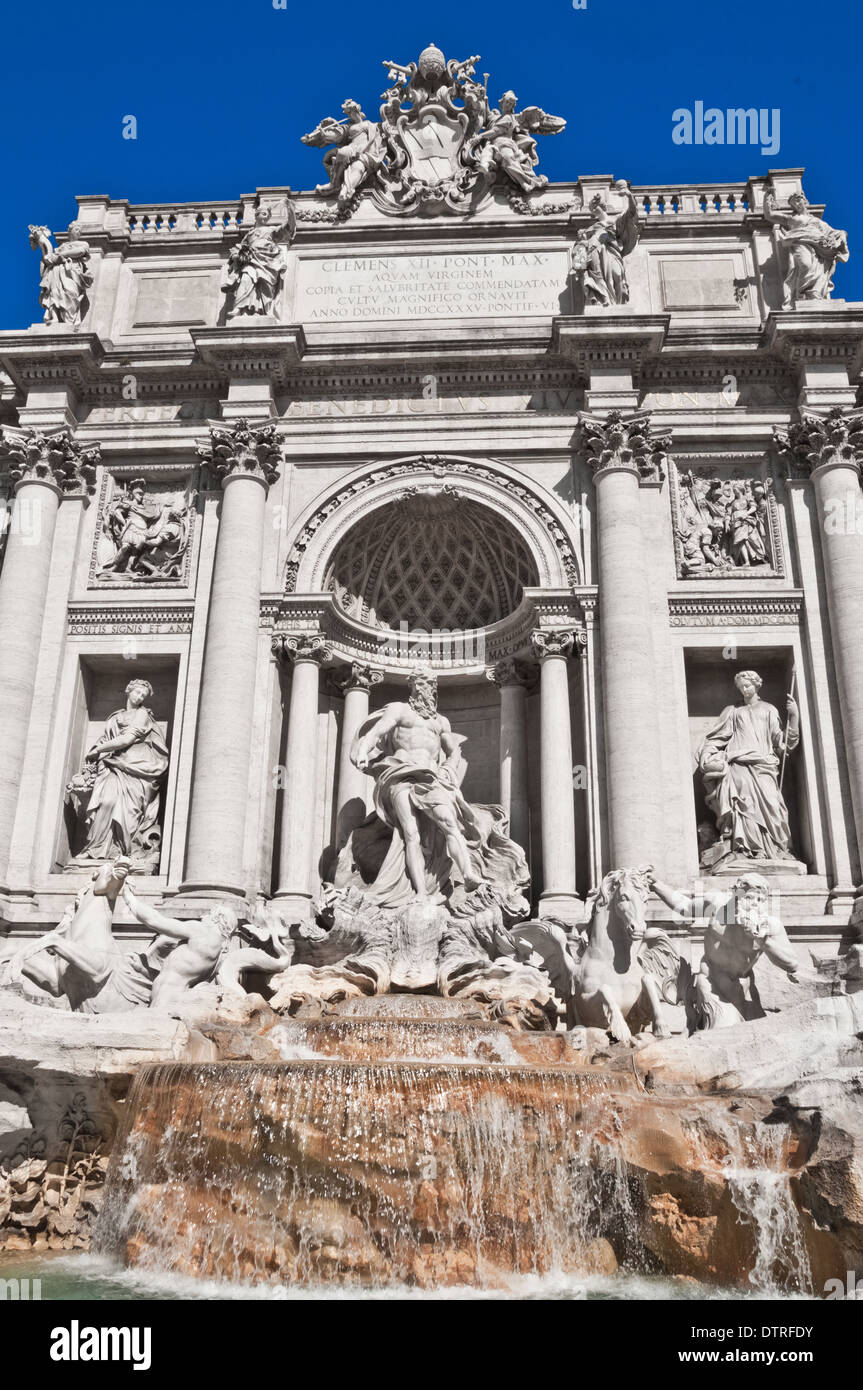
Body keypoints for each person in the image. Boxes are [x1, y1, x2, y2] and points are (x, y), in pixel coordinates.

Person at [648, 870, 799, 1028]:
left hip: (743, 988)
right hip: (711, 982)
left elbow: (792, 964)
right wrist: (656, 884)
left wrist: (764, 941)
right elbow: (684, 907)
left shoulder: (771, 926)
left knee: (758, 1036)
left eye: (760, 899)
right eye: (748, 897)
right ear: (735, 896)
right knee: (725, 1029)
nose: (755, 903)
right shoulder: (716, 905)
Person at [697, 670, 799, 863]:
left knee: (772, 804)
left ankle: (775, 848)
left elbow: (783, 744)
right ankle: (746, 850)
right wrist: (707, 754)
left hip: (763, 764)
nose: (744, 689)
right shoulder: (733, 711)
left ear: (757, 685)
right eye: (741, 687)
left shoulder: (769, 709)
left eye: (748, 686)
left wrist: (794, 716)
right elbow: (718, 737)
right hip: (738, 764)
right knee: (744, 806)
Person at [69, 679, 169, 866]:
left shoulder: (142, 715)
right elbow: (107, 739)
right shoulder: (115, 717)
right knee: (105, 802)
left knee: (129, 812)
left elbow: (126, 739)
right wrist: (97, 753)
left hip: (137, 769)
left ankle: (124, 851)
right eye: (137, 692)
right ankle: (95, 849)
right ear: (128, 690)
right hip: (113, 766)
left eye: (143, 695)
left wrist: (99, 750)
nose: (139, 697)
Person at [121, 882, 237, 1010]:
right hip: (170, 1002)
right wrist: (143, 970)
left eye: (209, 914)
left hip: (164, 1002)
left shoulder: (203, 931)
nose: (203, 916)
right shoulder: (217, 954)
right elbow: (177, 976)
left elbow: (155, 920)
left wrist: (128, 897)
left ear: (217, 919)